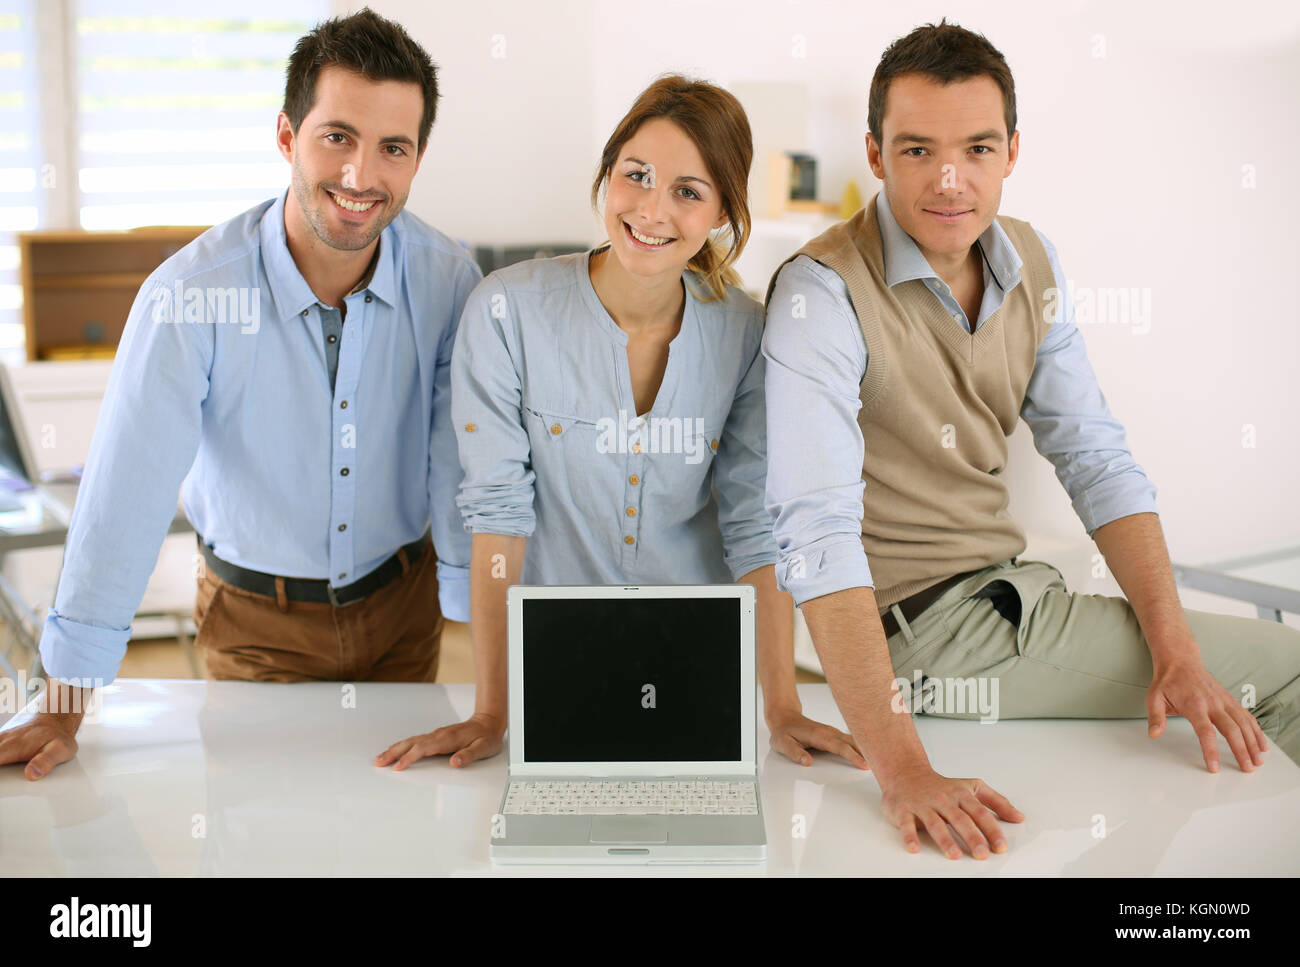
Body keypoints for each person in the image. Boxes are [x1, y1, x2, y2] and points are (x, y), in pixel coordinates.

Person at [762, 19, 1300, 859]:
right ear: (874, 154)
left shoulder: (1030, 262)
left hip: (1007, 594)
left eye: (977, 148)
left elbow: (1095, 457)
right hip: (925, 631)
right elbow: (816, 536)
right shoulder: (820, 295)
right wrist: (903, 766)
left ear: (1012, 150)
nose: (950, 179)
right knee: (1294, 668)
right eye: (916, 150)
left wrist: (1177, 649)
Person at [0, 9, 479, 782]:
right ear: (287, 137)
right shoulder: (188, 298)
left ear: (418, 158)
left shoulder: (450, 280)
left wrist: (492, 669)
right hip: (258, 624)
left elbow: (461, 469)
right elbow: (126, 496)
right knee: (263, 839)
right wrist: (60, 705)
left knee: (399, 835)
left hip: (402, 613)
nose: (361, 175)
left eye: (393, 147)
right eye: (337, 137)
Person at [377, 75, 864, 772]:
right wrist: (491, 709)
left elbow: (755, 524)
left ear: (722, 212)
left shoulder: (747, 332)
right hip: (552, 659)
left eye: (688, 192)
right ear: (608, 175)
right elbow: (497, 515)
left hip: (699, 663)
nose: (651, 209)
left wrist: (781, 705)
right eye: (636, 175)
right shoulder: (505, 310)